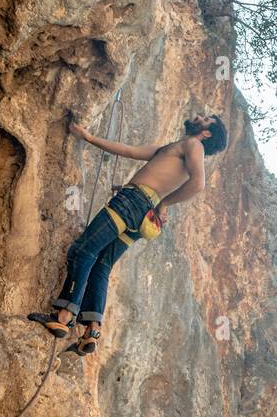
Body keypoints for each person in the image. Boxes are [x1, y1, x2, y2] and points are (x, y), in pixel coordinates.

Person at [29, 113, 228, 353]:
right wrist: (89, 137)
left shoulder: (193, 144)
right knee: (102, 264)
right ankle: (91, 331)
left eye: (206, 119)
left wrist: (164, 203)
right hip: (142, 213)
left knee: (83, 250)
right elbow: (130, 151)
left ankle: (63, 316)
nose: (198, 116)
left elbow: (198, 184)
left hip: (133, 201)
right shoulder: (173, 148)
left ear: (206, 133)